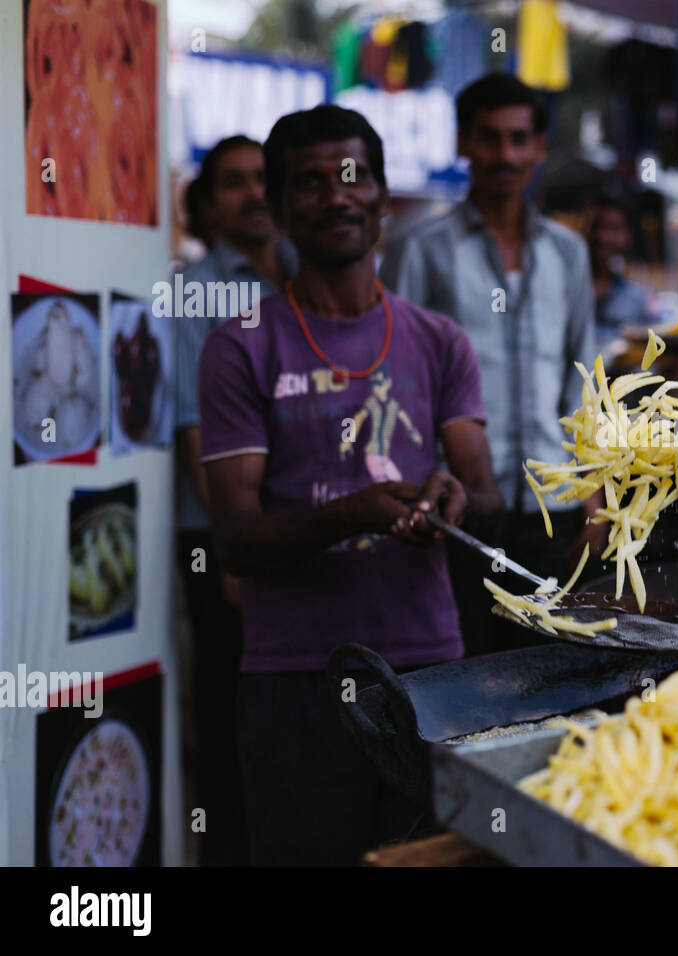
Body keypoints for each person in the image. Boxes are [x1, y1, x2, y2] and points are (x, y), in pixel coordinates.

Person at [198, 105, 502, 865]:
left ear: (381, 195)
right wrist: (351, 514)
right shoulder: (239, 347)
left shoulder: (438, 340)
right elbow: (235, 538)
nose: (336, 197)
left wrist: (453, 500)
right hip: (296, 680)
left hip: (430, 677)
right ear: (277, 206)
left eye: (351, 176)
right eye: (309, 183)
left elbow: (485, 492)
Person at [380, 72, 602, 652]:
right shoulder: (420, 250)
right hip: (458, 512)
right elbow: (396, 386)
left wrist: (597, 496)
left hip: (553, 507)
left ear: (539, 147)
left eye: (519, 139)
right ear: (463, 144)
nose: (505, 155)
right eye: (489, 138)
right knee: (461, 673)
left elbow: (584, 378)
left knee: (552, 674)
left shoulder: (568, 252)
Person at [172, 134, 297, 867]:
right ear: (207, 203)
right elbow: (197, 431)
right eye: (234, 183)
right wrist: (230, 545)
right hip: (222, 541)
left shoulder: (297, 272)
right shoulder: (197, 288)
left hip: (296, 533)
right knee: (227, 721)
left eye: (262, 179)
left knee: (289, 717)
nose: (253, 193)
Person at [587, 194, 653, 334]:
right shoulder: (563, 290)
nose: (602, 236)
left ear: (628, 236)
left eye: (613, 228)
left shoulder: (635, 298)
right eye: (595, 226)